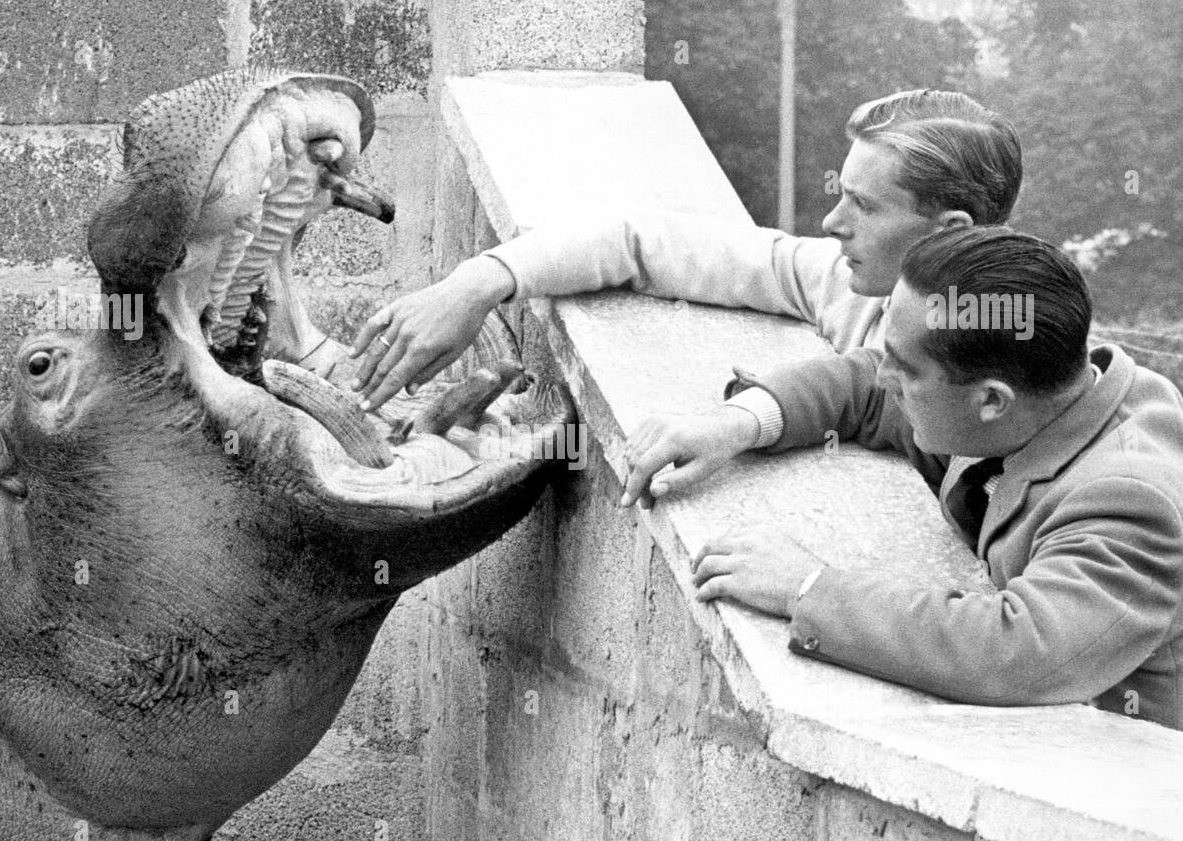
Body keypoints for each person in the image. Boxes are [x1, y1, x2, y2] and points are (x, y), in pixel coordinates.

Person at [636, 227, 1182, 729]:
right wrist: (738, 424)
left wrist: (808, 589)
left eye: (905, 368)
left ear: (992, 400)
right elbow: (867, 389)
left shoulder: (1131, 499)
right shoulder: (1043, 399)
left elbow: (1016, 652)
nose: (882, 374)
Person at [349, 88, 1023, 415]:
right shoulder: (841, 279)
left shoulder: (1017, 356)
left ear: (951, 231)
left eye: (865, 206)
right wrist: (477, 284)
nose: (831, 220)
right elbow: (641, 243)